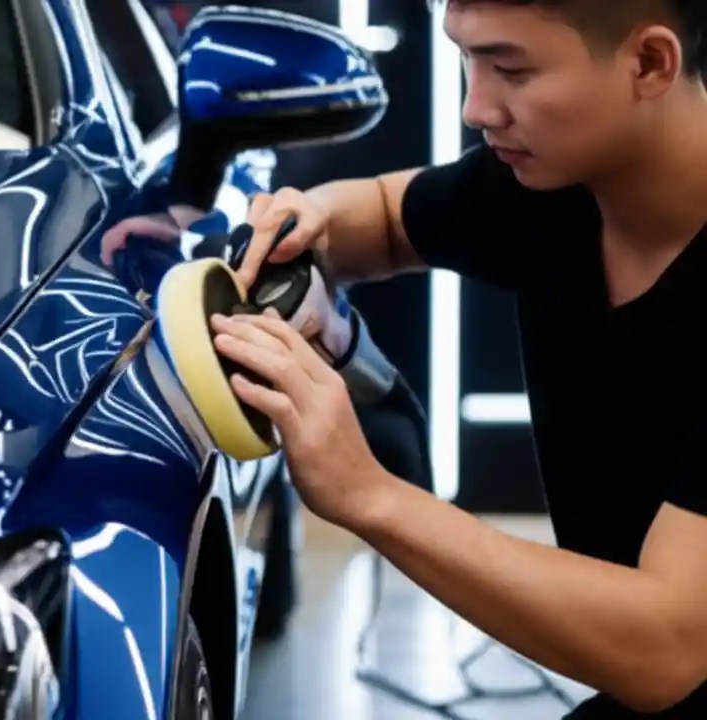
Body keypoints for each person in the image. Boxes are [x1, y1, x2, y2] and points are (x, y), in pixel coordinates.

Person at [216, 0, 707, 717]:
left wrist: (370, 495)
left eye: (510, 68)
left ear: (649, 63)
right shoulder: (556, 191)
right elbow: (385, 217)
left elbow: (669, 649)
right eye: (467, 60)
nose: (477, 107)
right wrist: (302, 229)